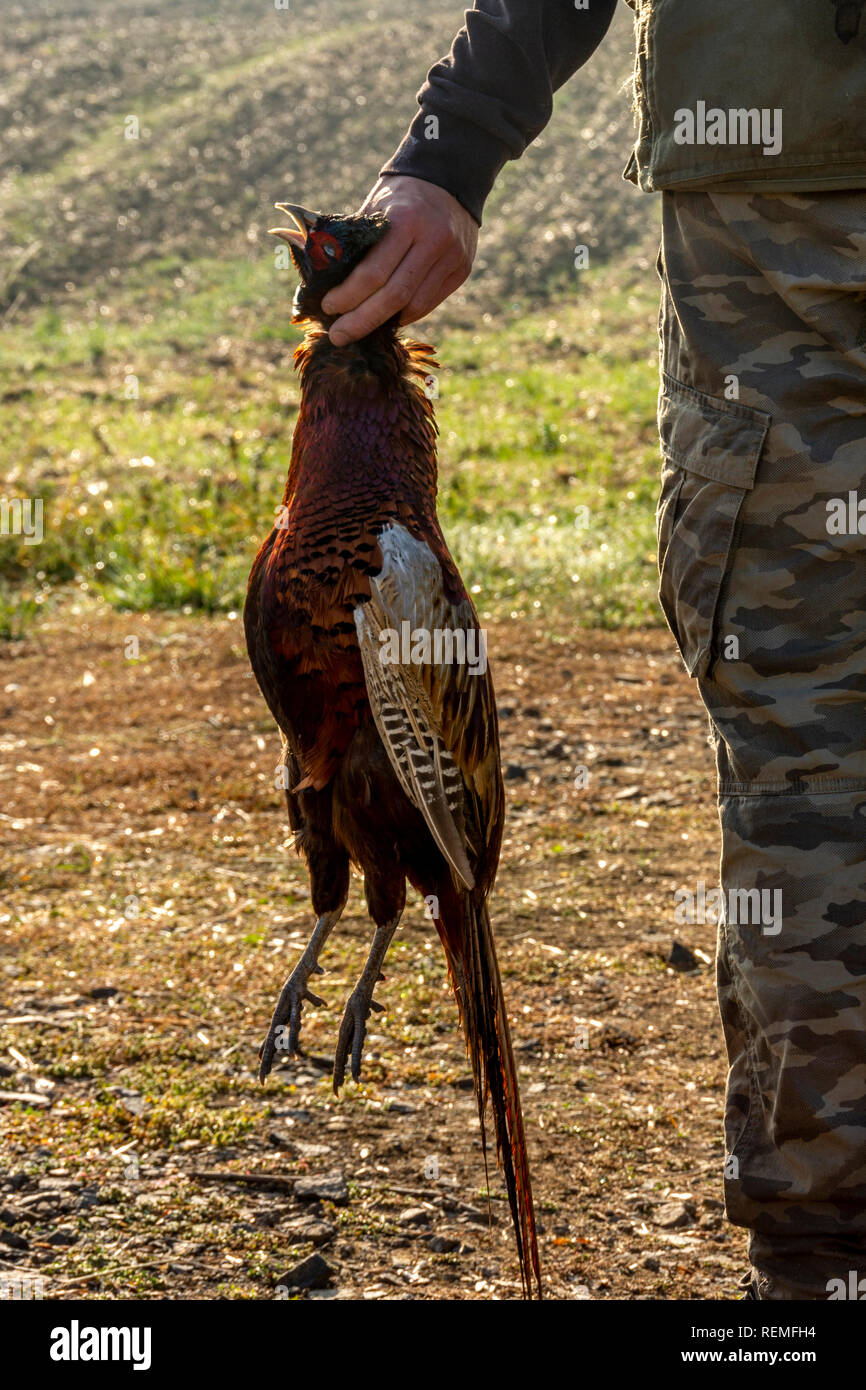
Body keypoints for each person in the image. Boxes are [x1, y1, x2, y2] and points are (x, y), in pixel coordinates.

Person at [319, 1, 866, 1301]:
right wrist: (452, 150)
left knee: (815, 748)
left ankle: (823, 1263)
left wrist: (456, 144)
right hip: (791, 180)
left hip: (787, 180)